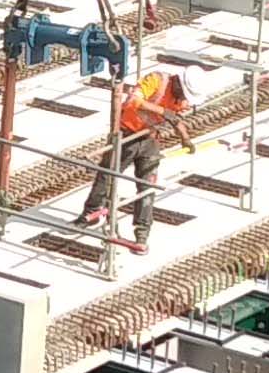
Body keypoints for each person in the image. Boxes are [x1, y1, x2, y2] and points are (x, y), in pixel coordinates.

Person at [82, 67, 195, 247]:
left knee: (147, 186)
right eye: (183, 93)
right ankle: (91, 213)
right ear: (178, 82)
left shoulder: (180, 98)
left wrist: (185, 138)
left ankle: (142, 231)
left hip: (149, 140)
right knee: (107, 175)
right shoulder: (156, 80)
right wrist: (162, 111)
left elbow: (176, 119)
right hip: (126, 135)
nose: (183, 99)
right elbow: (133, 101)